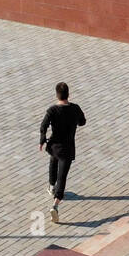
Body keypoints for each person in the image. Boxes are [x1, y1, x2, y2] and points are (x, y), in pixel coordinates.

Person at [38, 82, 86, 223]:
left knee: (53, 160)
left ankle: (52, 186)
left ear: (56, 94)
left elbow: (43, 125)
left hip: (53, 146)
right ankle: (55, 204)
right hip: (67, 149)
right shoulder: (75, 109)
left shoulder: (52, 110)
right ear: (68, 94)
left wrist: (42, 140)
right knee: (62, 176)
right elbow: (82, 122)